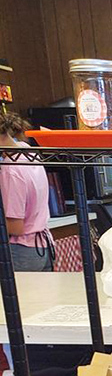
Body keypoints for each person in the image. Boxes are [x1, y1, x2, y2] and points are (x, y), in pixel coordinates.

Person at [0, 112, 54, 271]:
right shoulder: (28, 153)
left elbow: (15, 227)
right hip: (43, 245)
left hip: (22, 251)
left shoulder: (10, 170)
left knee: (18, 297)